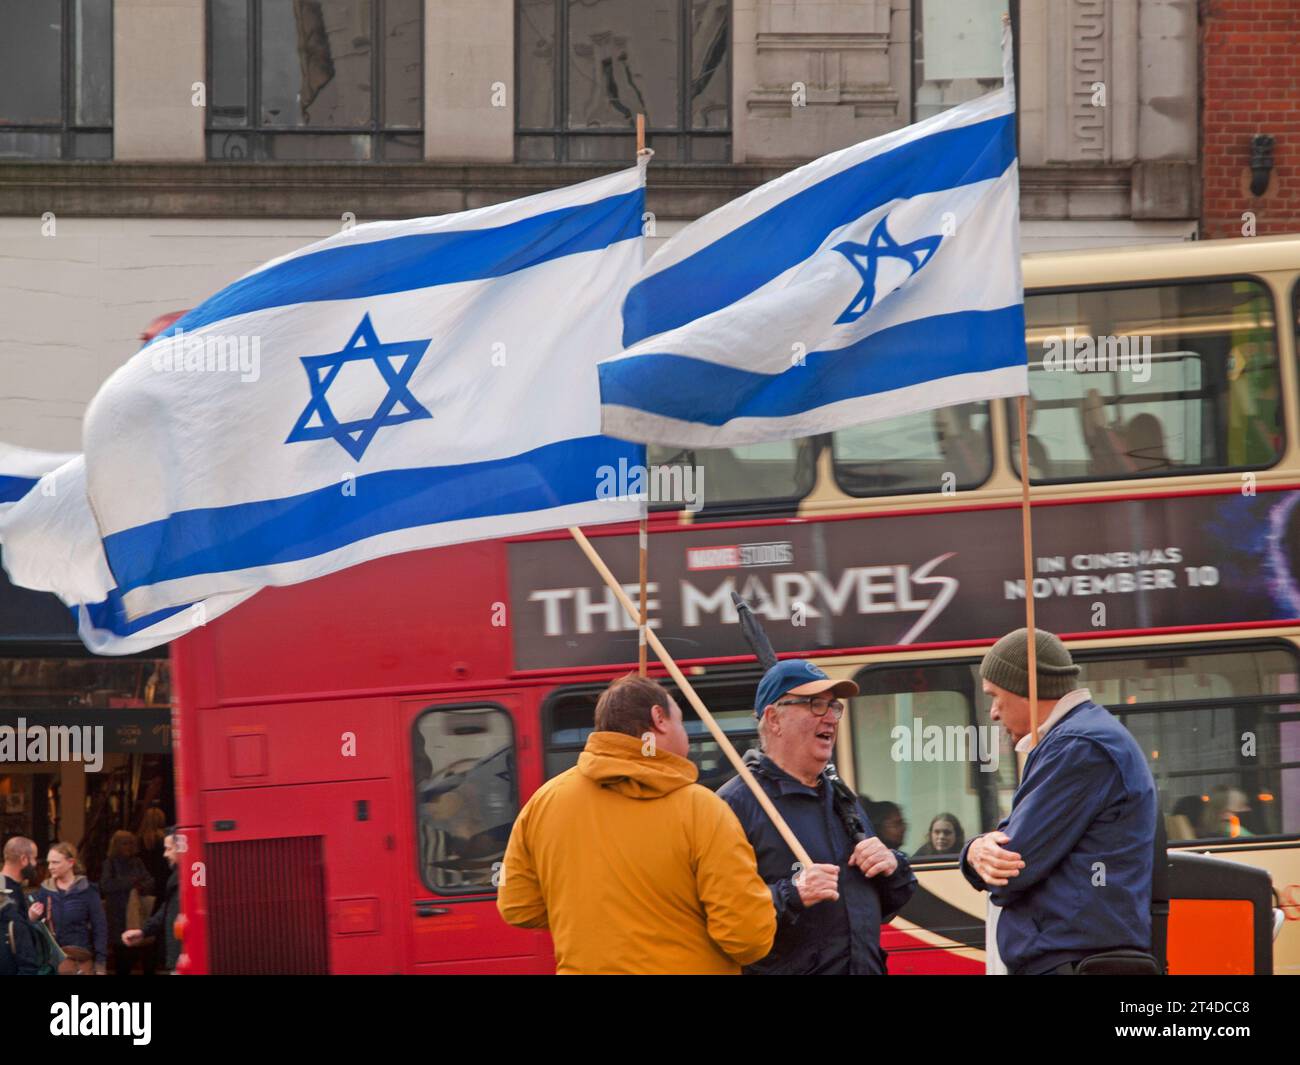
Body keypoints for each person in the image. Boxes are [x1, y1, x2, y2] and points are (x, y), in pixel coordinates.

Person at [497, 674, 776, 974]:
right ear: (659, 719)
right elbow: (747, 938)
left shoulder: (544, 803)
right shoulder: (703, 809)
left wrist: (587, 914)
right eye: (682, 722)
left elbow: (517, 906)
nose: (686, 736)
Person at [961, 628, 1157, 975]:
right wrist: (975, 852)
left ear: (1028, 690)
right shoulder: (1082, 736)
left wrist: (977, 855)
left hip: (1068, 961)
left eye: (995, 696)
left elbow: (1011, 867)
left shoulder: (1077, 746)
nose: (992, 712)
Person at [718, 659, 917, 975]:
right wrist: (792, 893)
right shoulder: (734, 805)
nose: (830, 718)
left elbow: (885, 905)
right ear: (773, 719)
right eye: (815, 705)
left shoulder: (839, 795)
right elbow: (724, 916)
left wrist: (892, 867)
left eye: (833, 707)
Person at [31, 842, 108, 975]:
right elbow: (37, 930)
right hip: (54, 960)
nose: (50, 867)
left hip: (81, 959)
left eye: (55, 862)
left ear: (70, 862)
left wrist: (100, 964)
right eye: (49, 862)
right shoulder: (46, 890)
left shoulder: (87, 890)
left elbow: (100, 928)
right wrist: (32, 917)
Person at [123, 829, 181, 974]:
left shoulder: (195, 871)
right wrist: (144, 931)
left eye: (169, 849)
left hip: (184, 953)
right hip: (178, 955)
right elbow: (167, 909)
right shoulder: (180, 875)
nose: (165, 854)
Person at [100, 830, 155, 975]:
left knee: (144, 951)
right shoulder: (110, 863)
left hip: (137, 912)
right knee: (122, 957)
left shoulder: (137, 862)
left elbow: (150, 881)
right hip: (118, 914)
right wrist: (130, 882)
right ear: (116, 845)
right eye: (125, 843)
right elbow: (106, 885)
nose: (129, 847)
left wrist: (141, 886)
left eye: (131, 843)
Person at [1, 837, 41, 975]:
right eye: (34, 858)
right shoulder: (8, 895)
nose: (35, 864)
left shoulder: (12, 890)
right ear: (24, 859)